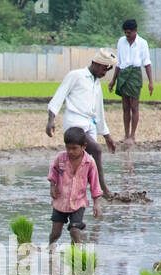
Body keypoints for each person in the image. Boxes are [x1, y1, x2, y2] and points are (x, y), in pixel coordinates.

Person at [46, 49, 118, 198]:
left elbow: (99, 110)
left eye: (107, 70)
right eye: (104, 69)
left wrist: (107, 135)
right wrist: (51, 120)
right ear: (96, 64)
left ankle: (73, 190)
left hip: (89, 124)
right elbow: (59, 96)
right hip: (75, 122)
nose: (105, 73)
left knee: (84, 160)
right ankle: (102, 189)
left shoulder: (96, 83)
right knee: (96, 151)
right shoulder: (76, 76)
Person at [47, 126, 102, 246]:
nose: (70, 151)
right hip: (61, 201)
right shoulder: (60, 158)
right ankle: (50, 249)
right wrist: (52, 186)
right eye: (68, 148)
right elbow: (53, 172)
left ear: (84, 147)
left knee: (74, 230)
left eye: (74, 148)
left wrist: (96, 204)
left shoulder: (89, 162)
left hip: (78, 203)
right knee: (56, 233)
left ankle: (76, 253)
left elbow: (94, 184)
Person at [111, 18, 153, 143]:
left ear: (135, 31)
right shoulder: (121, 42)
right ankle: (126, 135)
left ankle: (132, 136)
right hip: (123, 74)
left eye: (129, 32)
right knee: (125, 106)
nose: (127, 35)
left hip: (134, 74)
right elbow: (119, 63)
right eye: (125, 32)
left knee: (134, 106)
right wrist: (113, 80)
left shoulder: (142, 43)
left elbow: (147, 63)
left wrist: (150, 82)